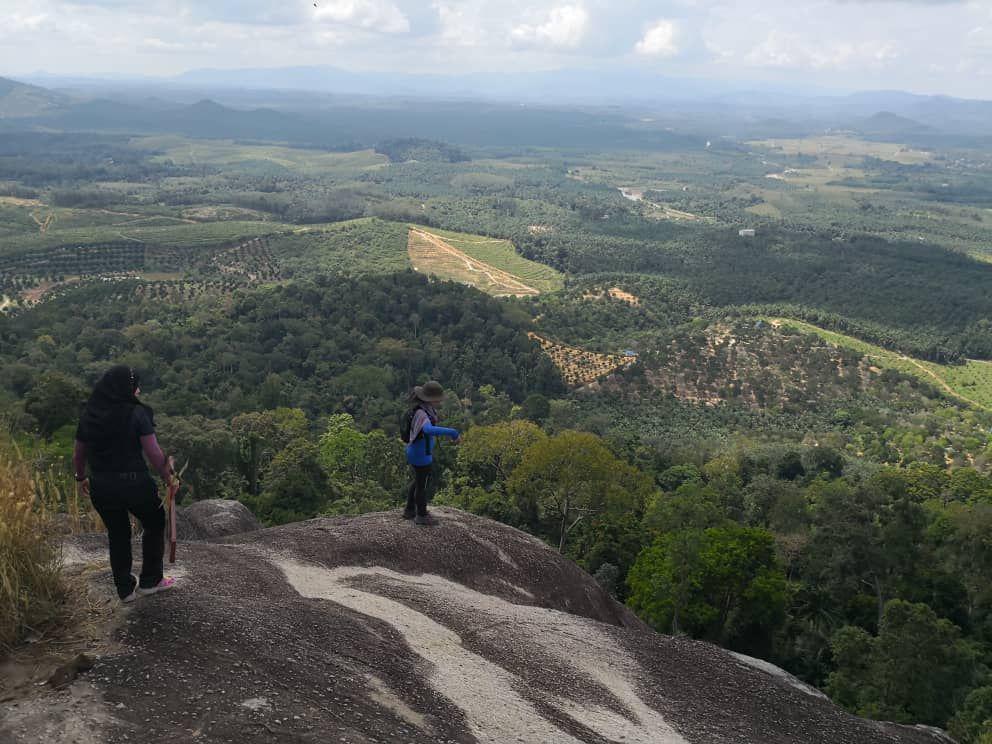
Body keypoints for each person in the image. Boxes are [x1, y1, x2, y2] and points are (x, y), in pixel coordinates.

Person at [73, 366, 176, 603]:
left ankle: (125, 590)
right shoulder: (137, 414)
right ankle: (151, 581)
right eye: (135, 386)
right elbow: (154, 454)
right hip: (134, 484)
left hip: (101, 485)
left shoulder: (89, 414)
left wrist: (81, 478)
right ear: (127, 388)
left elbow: (78, 455)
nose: (138, 391)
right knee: (154, 520)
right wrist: (170, 478)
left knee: (117, 533)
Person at [402, 381, 460, 526]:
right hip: (421, 455)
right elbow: (428, 430)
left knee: (418, 480)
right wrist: (453, 433)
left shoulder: (421, 409)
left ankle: (409, 510)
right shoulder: (423, 413)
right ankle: (421, 515)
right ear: (432, 398)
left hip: (415, 451)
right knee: (422, 485)